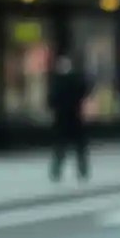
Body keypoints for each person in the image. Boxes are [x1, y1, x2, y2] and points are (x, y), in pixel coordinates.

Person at [48, 53, 90, 183]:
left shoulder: (58, 81)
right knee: (75, 147)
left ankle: (58, 171)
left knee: (64, 147)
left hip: (65, 118)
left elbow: (51, 100)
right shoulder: (73, 79)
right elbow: (83, 91)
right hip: (71, 117)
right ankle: (80, 171)